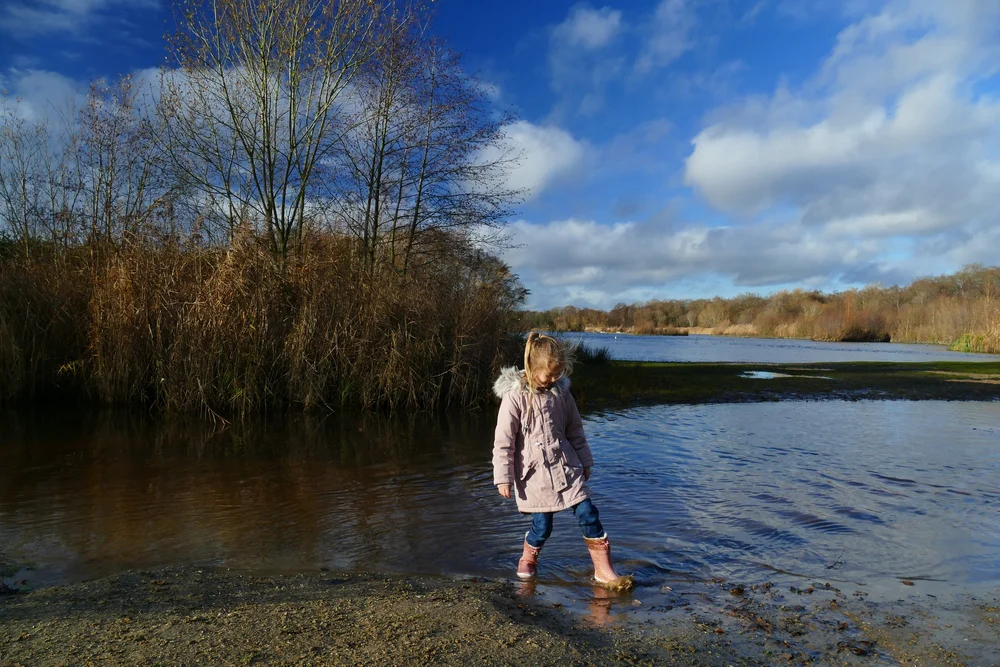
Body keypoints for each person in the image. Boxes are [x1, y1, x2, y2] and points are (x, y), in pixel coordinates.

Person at [492, 332, 632, 589]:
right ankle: (528, 558)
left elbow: (575, 430)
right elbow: (504, 442)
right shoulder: (515, 398)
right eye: (549, 375)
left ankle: (603, 570)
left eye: (557, 374)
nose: (553, 379)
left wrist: (585, 462)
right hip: (533, 475)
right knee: (543, 526)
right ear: (532, 368)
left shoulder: (561, 394)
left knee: (588, 513)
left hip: (566, 466)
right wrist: (503, 478)